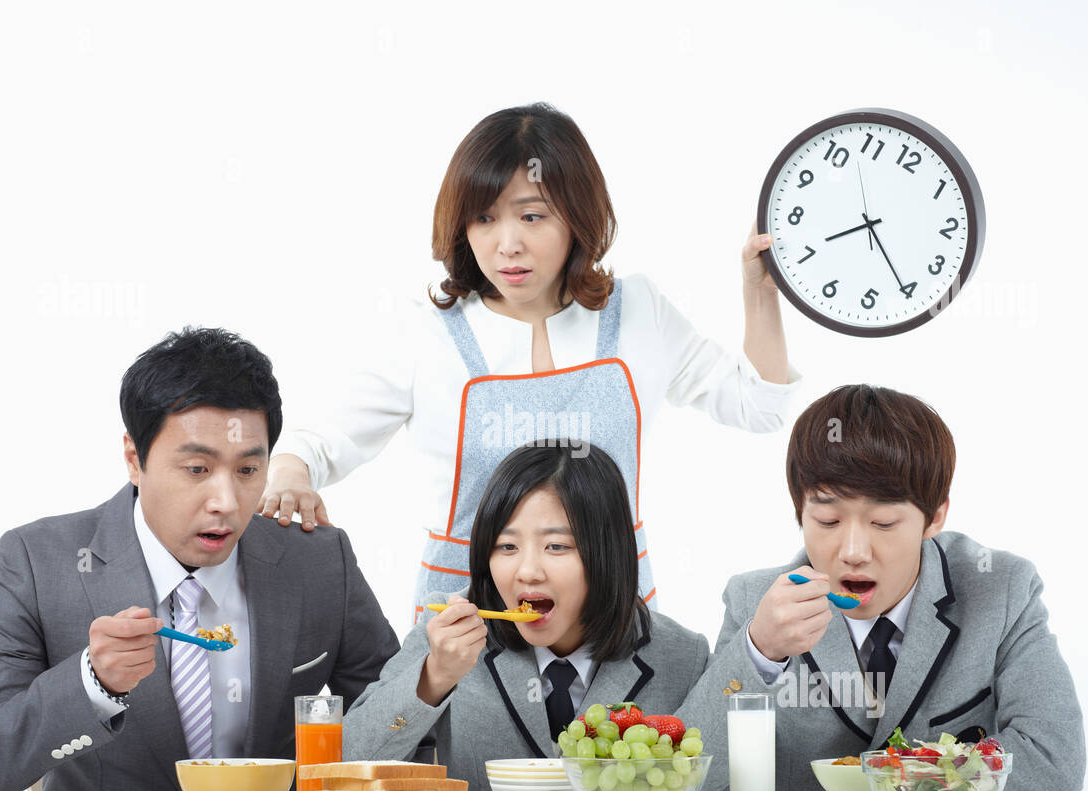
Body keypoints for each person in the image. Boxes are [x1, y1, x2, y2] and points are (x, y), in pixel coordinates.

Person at [257, 102, 802, 622]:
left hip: (613, 623)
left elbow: (758, 406)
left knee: (613, 727)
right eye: (485, 219)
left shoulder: (638, 311)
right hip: (470, 624)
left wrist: (761, 293)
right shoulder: (425, 331)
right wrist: (289, 471)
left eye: (533, 215)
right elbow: (320, 444)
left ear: (578, 219)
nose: (507, 244)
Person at [0, 328, 401, 791]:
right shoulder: (35, 562)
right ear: (134, 460)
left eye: (247, 471)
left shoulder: (319, 560)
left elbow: (399, 718)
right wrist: (90, 684)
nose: (226, 502)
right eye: (197, 470)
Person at [679, 384, 1086, 791]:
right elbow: (689, 780)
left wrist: (900, 773)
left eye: (884, 523)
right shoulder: (755, 601)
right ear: (799, 512)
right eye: (828, 521)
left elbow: (1054, 760)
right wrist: (760, 650)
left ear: (935, 517)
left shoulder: (1001, 589)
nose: (853, 553)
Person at [341, 442, 711, 791]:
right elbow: (341, 771)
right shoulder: (447, 632)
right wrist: (433, 677)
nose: (528, 572)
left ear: (608, 553)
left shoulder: (679, 654)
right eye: (507, 547)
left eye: (557, 547)